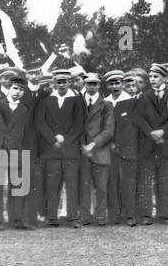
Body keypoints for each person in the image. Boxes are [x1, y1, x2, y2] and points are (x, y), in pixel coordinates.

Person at [0, 72, 37, 229]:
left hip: (17, 151)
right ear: (8, 88)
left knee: (18, 186)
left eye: (21, 90)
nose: (18, 92)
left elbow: (28, 133)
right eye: (15, 88)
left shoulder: (24, 110)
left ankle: (17, 219)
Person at [132, 63, 168, 223]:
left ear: (165, 79)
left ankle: (165, 214)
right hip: (148, 145)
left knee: (165, 180)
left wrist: (163, 132)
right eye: (151, 77)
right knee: (146, 180)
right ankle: (146, 215)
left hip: (166, 144)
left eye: (156, 77)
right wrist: (151, 132)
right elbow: (138, 118)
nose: (152, 79)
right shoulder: (145, 96)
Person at [35, 67, 83, 227]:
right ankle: (52, 217)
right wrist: (53, 138)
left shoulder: (76, 99)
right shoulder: (46, 99)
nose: (62, 84)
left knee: (71, 184)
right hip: (52, 148)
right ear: (54, 83)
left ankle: (72, 217)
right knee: (52, 184)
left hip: (70, 149)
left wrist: (66, 139)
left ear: (69, 82)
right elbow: (41, 122)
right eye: (59, 82)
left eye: (65, 81)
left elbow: (79, 123)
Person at [78, 71, 115, 226]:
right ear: (84, 85)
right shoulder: (78, 102)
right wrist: (82, 145)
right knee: (84, 187)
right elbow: (75, 126)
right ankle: (85, 217)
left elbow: (108, 130)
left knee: (101, 187)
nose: (91, 87)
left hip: (100, 151)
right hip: (82, 151)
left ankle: (101, 216)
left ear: (99, 85)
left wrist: (92, 145)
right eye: (88, 84)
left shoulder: (106, 104)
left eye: (95, 84)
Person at [110, 72, 141, 226]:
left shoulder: (137, 101)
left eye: (118, 83)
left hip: (132, 148)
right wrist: (113, 144)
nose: (115, 86)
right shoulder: (113, 103)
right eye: (112, 83)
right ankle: (117, 214)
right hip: (115, 149)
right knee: (115, 182)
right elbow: (111, 127)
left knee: (129, 182)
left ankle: (130, 215)